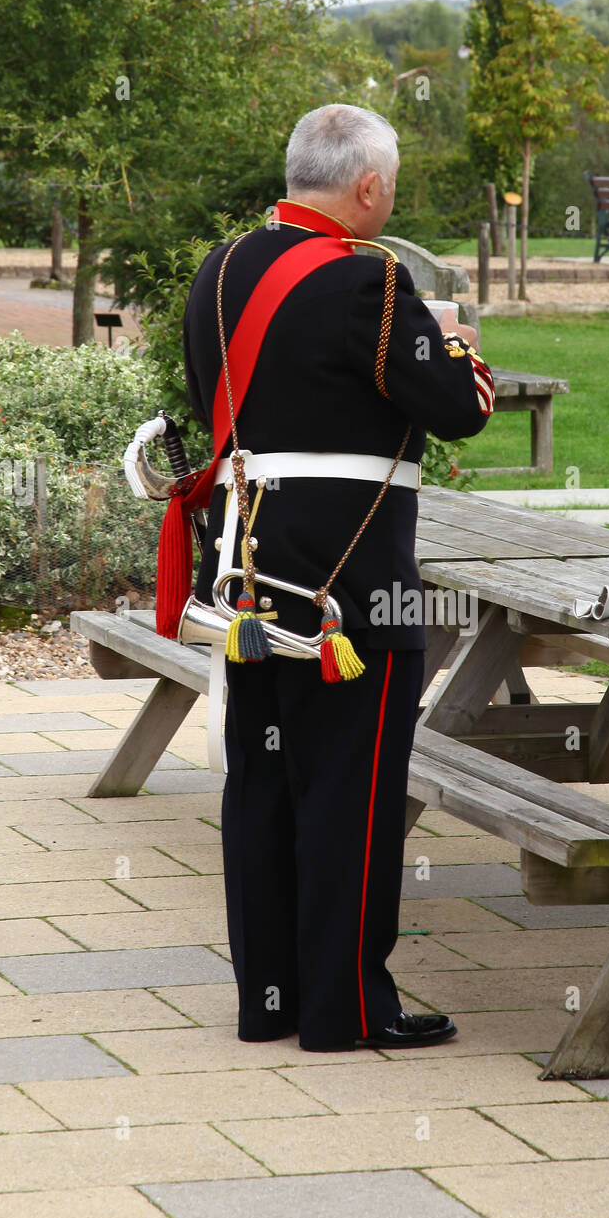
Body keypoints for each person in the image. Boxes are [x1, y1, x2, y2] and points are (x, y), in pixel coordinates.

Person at [180, 104, 495, 1051]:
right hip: (350, 582)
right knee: (348, 794)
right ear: (368, 188)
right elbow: (459, 408)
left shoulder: (221, 268)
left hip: (247, 566)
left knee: (262, 784)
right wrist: (454, 338)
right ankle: (347, 1009)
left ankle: (267, 1002)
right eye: (389, 183)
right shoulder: (374, 283)